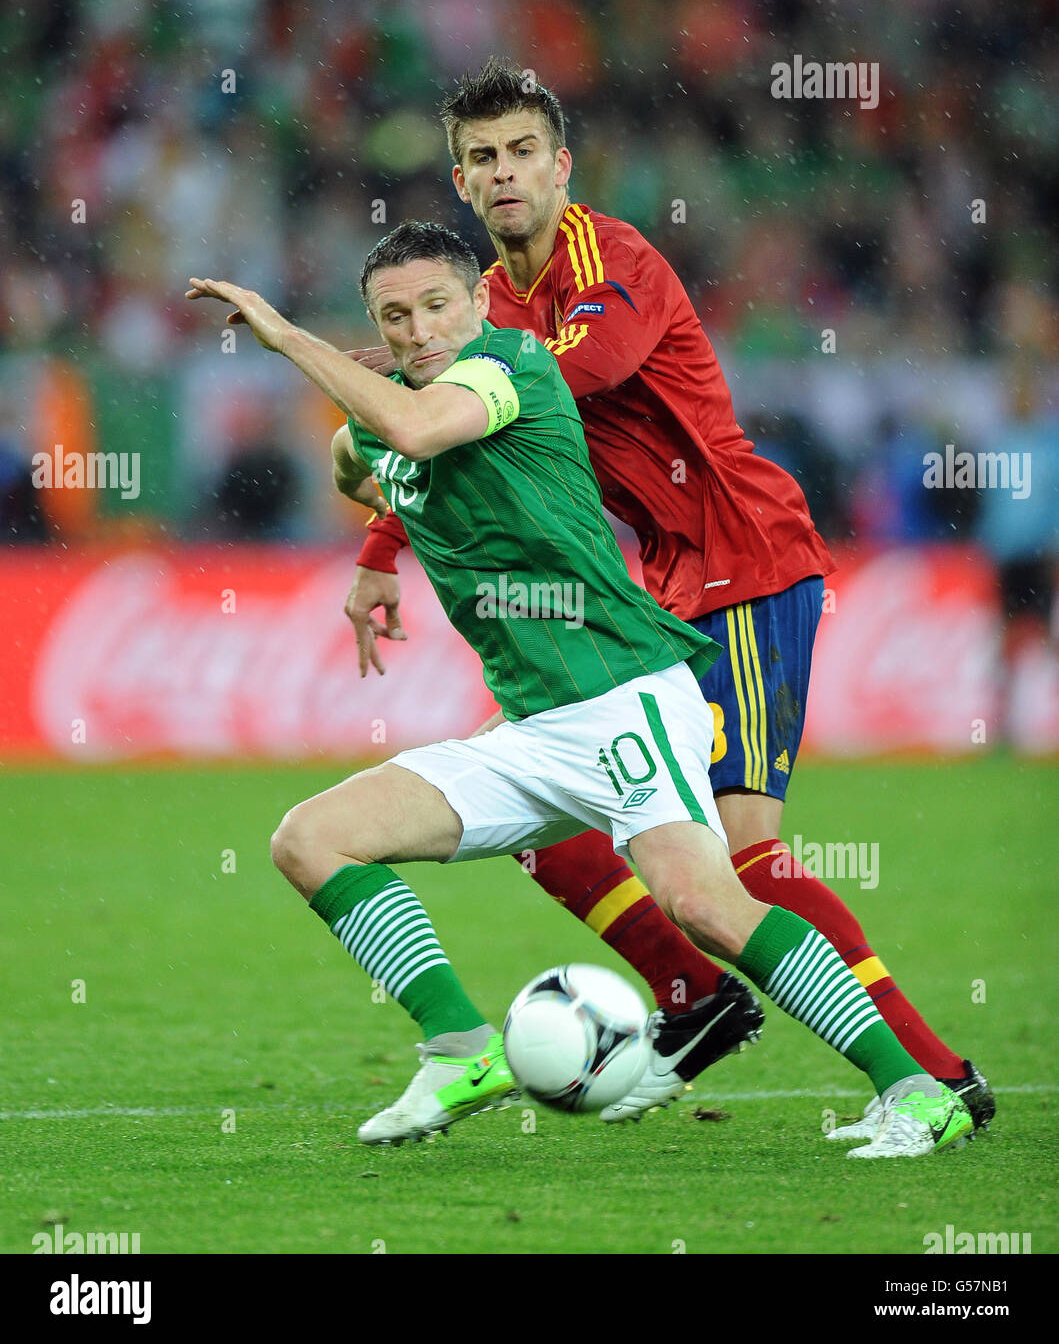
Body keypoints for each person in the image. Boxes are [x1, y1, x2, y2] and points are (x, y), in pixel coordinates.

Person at [186, 222, 973, 1160]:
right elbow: (370, 457)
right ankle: (460, 1050)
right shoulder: (391, 409)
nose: (419, 328)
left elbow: (408, 430)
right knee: (310, 840)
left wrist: (287, 341)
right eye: (395, 317)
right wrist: (372, 531)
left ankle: (918, 1090)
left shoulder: (507, 366)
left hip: (623, 699)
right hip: (531, 731)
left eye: (438, 303)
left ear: (478, 303)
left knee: (710, 905)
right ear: (377, 328)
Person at [343, 60, 993, 1140]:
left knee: (743, 865)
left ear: (562, 165)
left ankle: (933, 1074)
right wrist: (378, 546)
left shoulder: (615, 263)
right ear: (460, 182)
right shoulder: (485, 307)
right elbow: (461, 448)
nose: (504, 175)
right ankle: (697, 1001)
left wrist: (413, 380)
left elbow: (530, 393)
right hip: (654, 593)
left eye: (521, 153)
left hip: (746, 558)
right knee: (542, 814)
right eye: (482, 159)